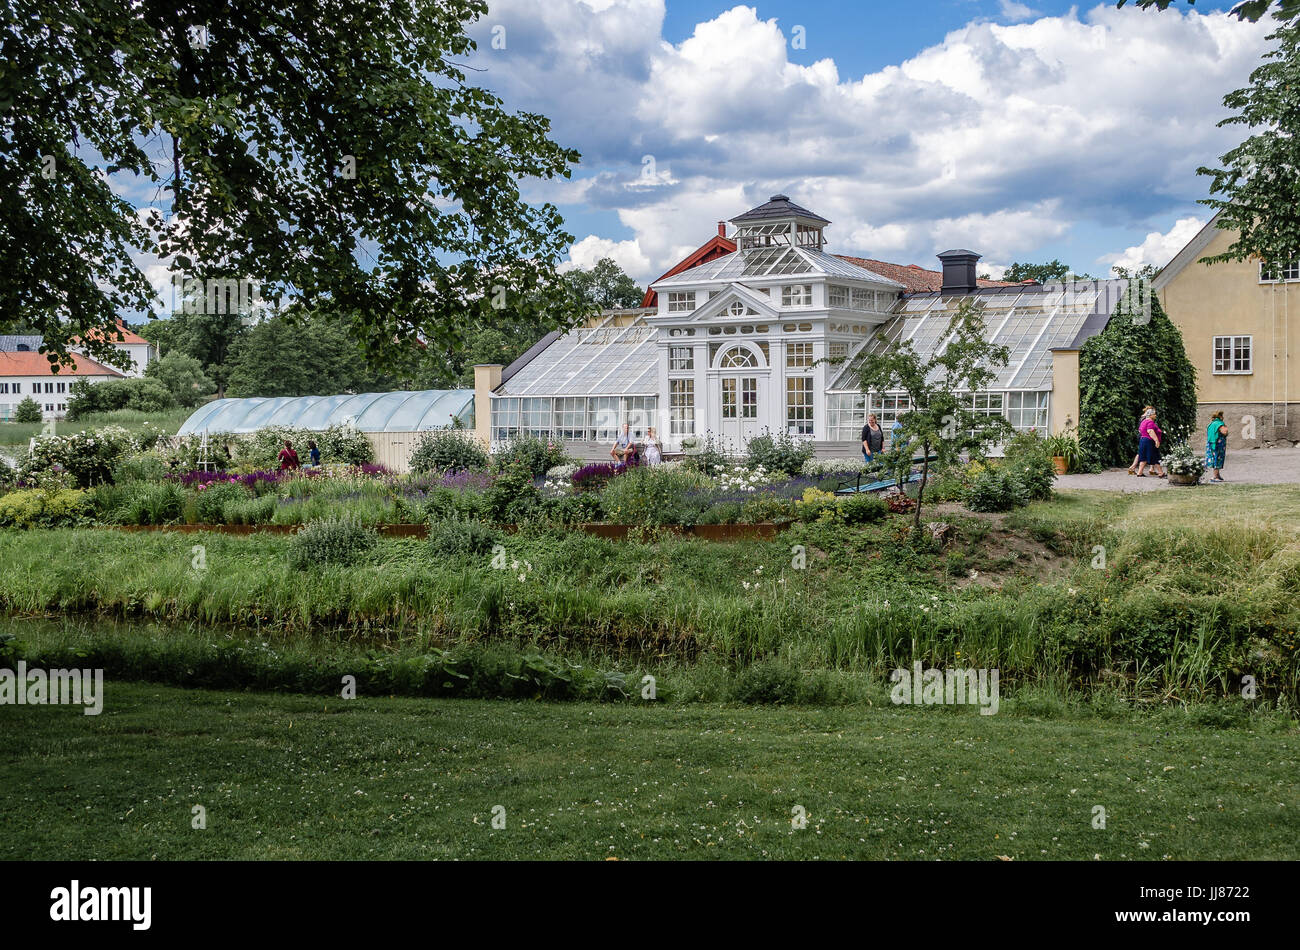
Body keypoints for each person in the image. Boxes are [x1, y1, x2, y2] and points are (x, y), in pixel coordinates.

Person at [1135, 409, 1166, 478]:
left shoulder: (1143, 421)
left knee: (1143, 456)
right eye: (1154, 414)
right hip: (1149, 441)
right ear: (1150, 415)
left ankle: (1139, 472)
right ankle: (1161, 473)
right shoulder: (1150, 422)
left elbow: (1140, 430)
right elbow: (1150, 431)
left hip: (1143, 440)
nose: (1155, 415)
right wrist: (1156, 440)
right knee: (1155, 456)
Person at [1126, 406, 1155, 475]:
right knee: (1146, 451)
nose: (1154, 414)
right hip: (1146, 436)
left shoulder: (1142, 417)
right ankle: (1134, 467)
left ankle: (1134, 468)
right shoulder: (1147, 418)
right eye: (1153, 412)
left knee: (1141, 452)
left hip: (1141, 436)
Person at [1205, 410, 1227, 482]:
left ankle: (1217, 475)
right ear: (1220, 416)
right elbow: (1224, 431)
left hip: (1210, 444)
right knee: (1217, 459)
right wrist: (1226, 430)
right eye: (1222, 416)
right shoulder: (1219, 424)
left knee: (1213, 458)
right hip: (1218, 445)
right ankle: (1215, 477)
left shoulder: (1211, 424)